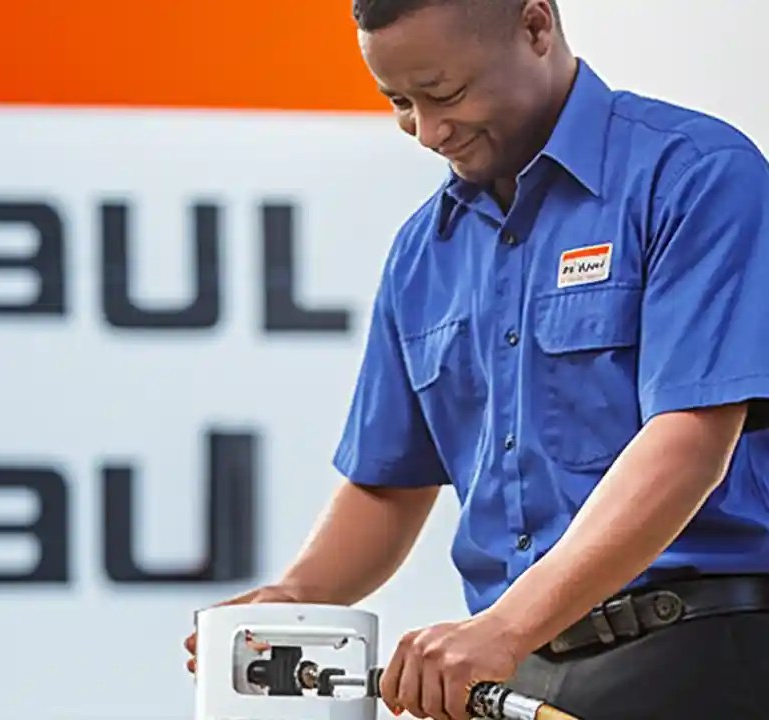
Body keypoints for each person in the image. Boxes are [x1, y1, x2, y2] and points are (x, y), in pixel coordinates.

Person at [183, 1, 769, 718]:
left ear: (535, 26)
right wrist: (297, 598)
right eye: (400, 103)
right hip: (514, 680)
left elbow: (689, 441)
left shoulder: (695, 176)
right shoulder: (422, 251)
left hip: (698, 658)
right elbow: (387, 484)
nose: (429, 132)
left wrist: (504, 626)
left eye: (446, 93)